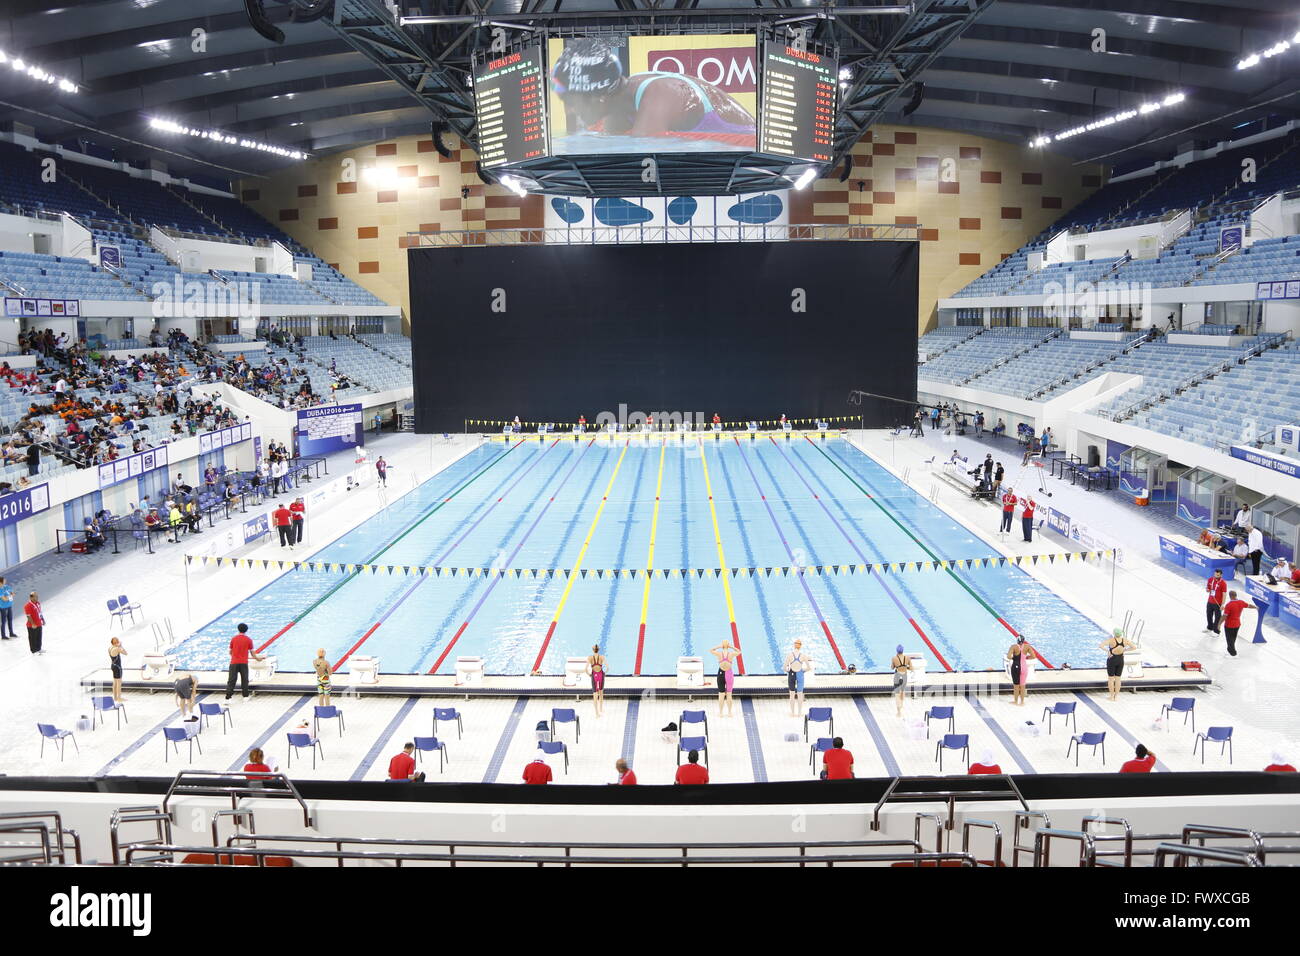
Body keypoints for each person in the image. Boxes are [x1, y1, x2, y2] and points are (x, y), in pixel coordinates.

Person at [550, 37, 756, 145]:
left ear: (599, 97)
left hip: (745, 144)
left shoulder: (660, 94)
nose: (570, 111)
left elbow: (641, 159)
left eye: (571, 102)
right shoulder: (618, 107)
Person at [224, 622, 263, 700]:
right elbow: (252, 653)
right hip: (243, 663)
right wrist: (258, 659)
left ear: (238, 629)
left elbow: (230, 652)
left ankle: (228, 698)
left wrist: (234, 657)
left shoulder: (234, 639)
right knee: (244, 680)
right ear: (246, 630)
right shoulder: (248, 640)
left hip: (234, 662)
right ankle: (245, 696)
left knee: (231, 680)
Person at [1100, 627, 1132, 701]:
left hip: (1112, 660)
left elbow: (1101, 645)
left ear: (1114, 633)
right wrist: (1125, 650)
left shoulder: (1111, 640)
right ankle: (1116, 696)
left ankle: (1111, 696)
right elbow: (1134, 647)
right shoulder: (1125, 640)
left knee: (1111, 679)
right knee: (1118, 678)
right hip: (1120, 660)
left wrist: (1108, 651)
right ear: (1121, 634)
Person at [710, 639, 739, 717]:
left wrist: (730, 646)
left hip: (727, 674)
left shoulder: (729, 654)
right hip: (723, 674)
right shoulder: (722, 654)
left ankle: (728, 712)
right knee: (722, 694)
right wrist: (723, 646)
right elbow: (711, 650)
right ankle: (722, 712)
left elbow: (739, 652)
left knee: (727, 694)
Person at [1221, 590, 1253, 657]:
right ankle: (1230, 650)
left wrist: (1219, 624)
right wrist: (1256, 607)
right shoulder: (1241, 602)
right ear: (1236, 595)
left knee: (1229, 639)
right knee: (1233, 638)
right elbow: (1249, 605)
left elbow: (1224, 616)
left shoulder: (1229, 605)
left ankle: (1233, 654)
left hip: (1229, 625)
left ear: (1230, 596)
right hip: (1237, 624)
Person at [784, 639, 811, 717]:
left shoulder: (790, 655)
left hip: (792, 674)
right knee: (800, 695)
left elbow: (784, 667)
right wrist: (803, 671)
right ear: (800, 646)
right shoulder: (803, 655)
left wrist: (789, 671)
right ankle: (799, 713)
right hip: (800, 674)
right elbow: (809, 668)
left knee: (791, 695)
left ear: (794, 645)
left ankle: (792, 713)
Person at [1006, 635, 1035, 705]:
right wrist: (1026, 657)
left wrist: (1014, 658)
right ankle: (1022, 702)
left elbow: (1008, 656)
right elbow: (1033, 656)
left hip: (1015, 668)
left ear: (1017, 640)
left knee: (1016, 686)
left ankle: (1015, 701)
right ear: (1023, 640)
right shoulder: (1027, 646)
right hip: (1024, 668)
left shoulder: (1013, 646)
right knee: (1022, 686)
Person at [890, 644, 912, 717]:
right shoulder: (907, 658)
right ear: (903, 650)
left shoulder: (894, 658)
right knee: (902, 691)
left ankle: (898, 712)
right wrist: (905, 667)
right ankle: (902, 706)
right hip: (904, 676)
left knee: (897, 694)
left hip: (897, 676)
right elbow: (911, 668)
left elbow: (892, 668)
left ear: (897, 651)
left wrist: (898, 666)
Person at [1205, 568, 1227, 635]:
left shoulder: (1223, 583)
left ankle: (1216, 631)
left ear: (1221, 575)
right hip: (1210, 601)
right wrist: (1207, 590)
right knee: (1209, 615)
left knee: (1217, 617)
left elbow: (1224, 594)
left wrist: (1223, 604)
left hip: (1218, 603)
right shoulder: (1210, 579)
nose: (1216, 576)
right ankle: (1209, 627)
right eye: (1215, 574)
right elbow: (1208, 588)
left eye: (1218, 575)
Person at [587, 643, 606, 717]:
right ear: (598, 650)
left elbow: (585, 669)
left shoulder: (590, 658)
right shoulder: (602, 657)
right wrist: (605, 673)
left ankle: (597, 713)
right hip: (601, 675)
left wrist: (589, 674)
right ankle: (601, 708)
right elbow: (607, 667)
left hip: (594, 676)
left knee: (595, 694)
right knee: (601, 692)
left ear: (593, 650)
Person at [23, 590, 44, 654]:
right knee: (32, 638)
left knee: (39, 637)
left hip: (39, 623)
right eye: (35, 597)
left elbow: (39, 612)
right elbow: (28, 616)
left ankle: (39, 648)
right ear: (31, 598)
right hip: (32, 625)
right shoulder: (27, 606)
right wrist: (32, 624)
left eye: (37, 596)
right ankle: (34, 651)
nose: (37, 598)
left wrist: (42, 619)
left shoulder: (38, 603)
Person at [108, 637, 127, 702]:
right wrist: (121, 646)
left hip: (113, 666)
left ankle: (115, 697)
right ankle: (119, 698)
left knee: (115, 682)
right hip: (118, 667)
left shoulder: (110, 648)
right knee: (119, 683)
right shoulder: (117, 649)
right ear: (116, 642)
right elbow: (125, 653)